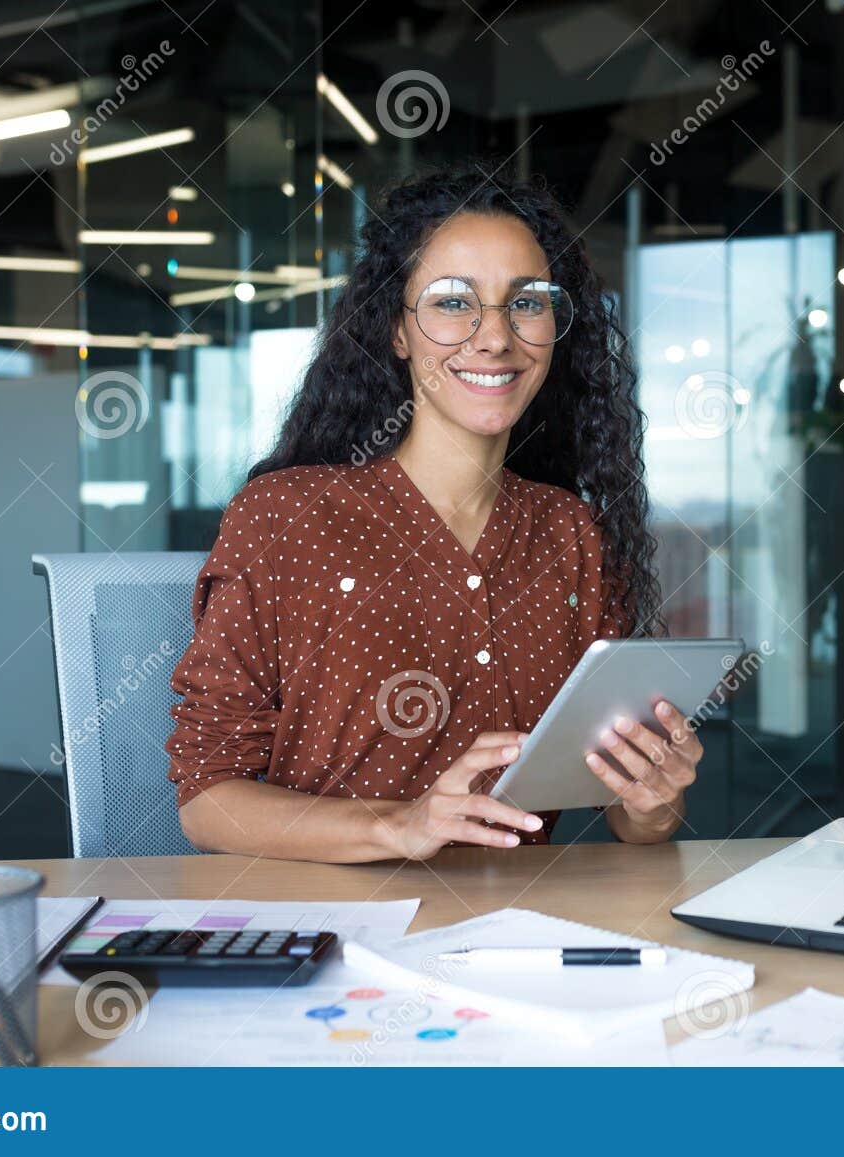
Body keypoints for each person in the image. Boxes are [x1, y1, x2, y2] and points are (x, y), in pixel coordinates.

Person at [165, 163, 704, 862]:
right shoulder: (285, 516)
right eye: (453, 302)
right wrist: (396, 826)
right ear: (397, 329)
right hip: (335, 930)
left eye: (527, 302)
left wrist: (655, 800)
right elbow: (208, 799)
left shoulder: (571, 532)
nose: (495, 336)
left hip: (515, 936)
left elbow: (630, 822)